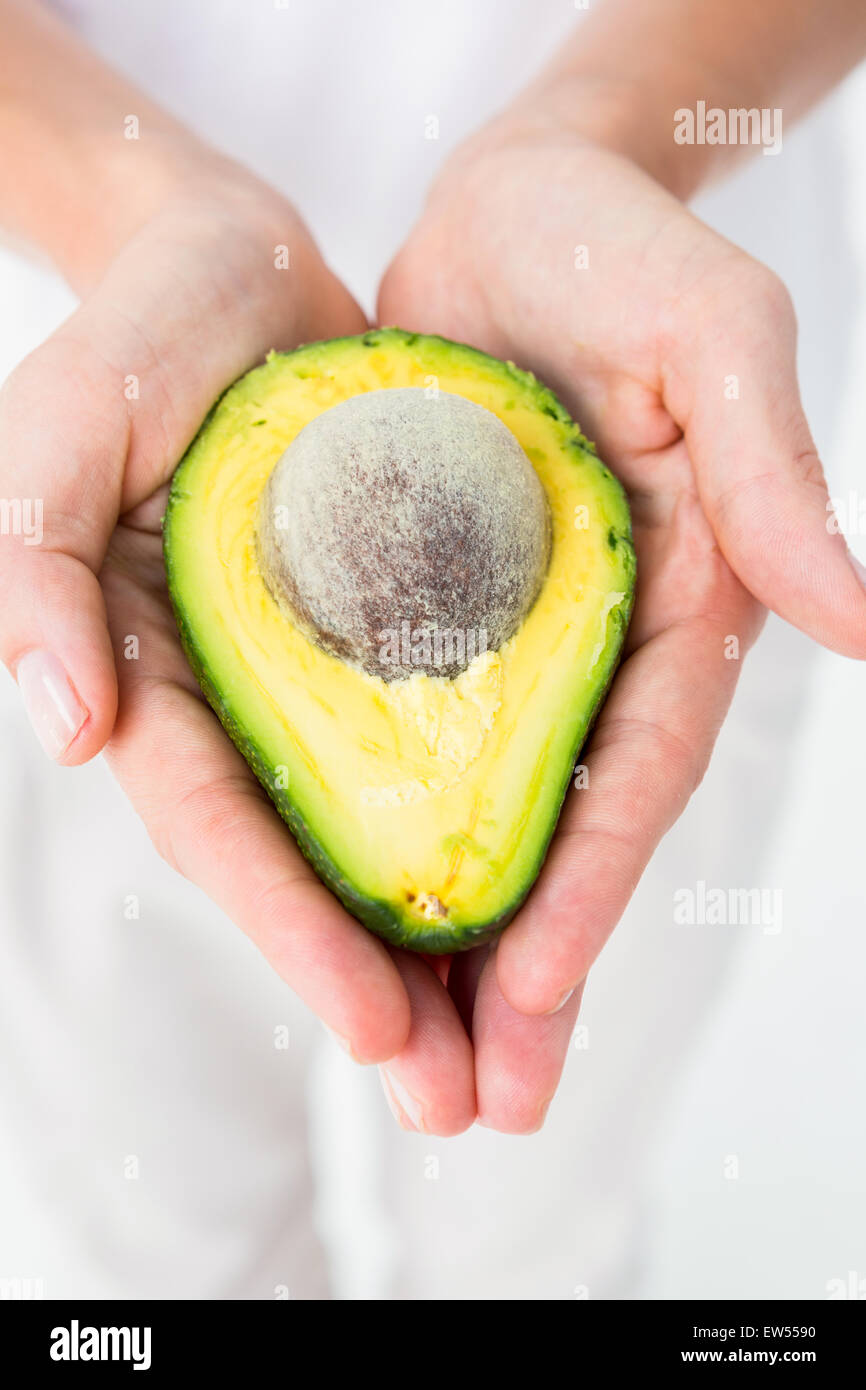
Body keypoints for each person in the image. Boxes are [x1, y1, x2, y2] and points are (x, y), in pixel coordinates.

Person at [0, 0, 863, 1299]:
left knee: (532, 1246)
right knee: (154, 1239)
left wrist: (607, 134)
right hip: (100, 395)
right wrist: (128, 207)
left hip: (643, 377)